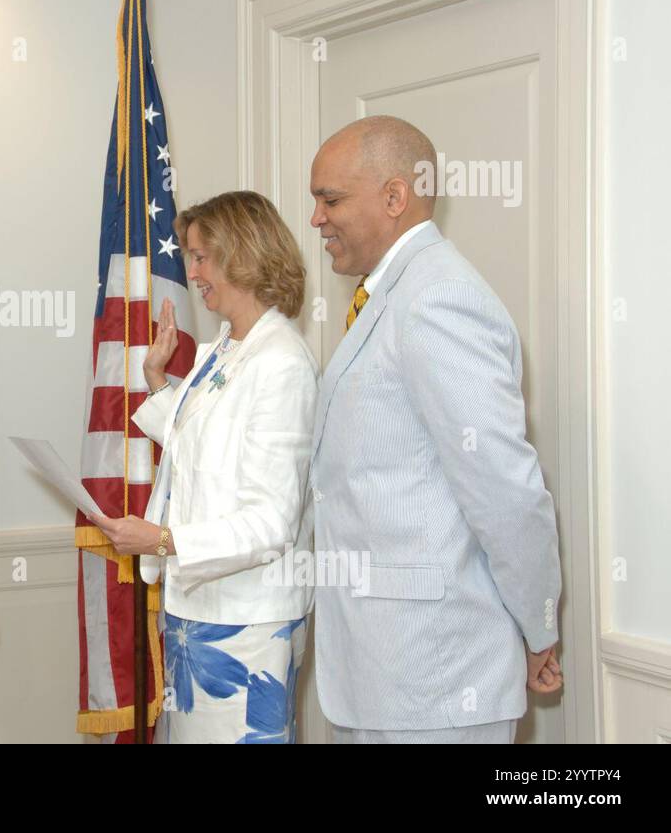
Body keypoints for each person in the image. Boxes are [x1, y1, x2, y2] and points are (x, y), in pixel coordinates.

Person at [308, 114, 562, 744]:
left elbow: (505, 489)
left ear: (395, 197)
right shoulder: (389, 294)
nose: (316, 219)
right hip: (383, 677)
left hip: (437, 678)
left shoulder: (439, 298)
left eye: (330, 199)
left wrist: (539, 625)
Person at [93, 191, 319, 743]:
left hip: (248, 620)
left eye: (201, 257)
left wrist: (164, 539)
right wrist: (155, 376)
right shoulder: (225, 345)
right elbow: (202, 438)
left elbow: (271, 523)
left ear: (243, 253)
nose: (192, 272)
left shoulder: (281, 362)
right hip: (198, 610)